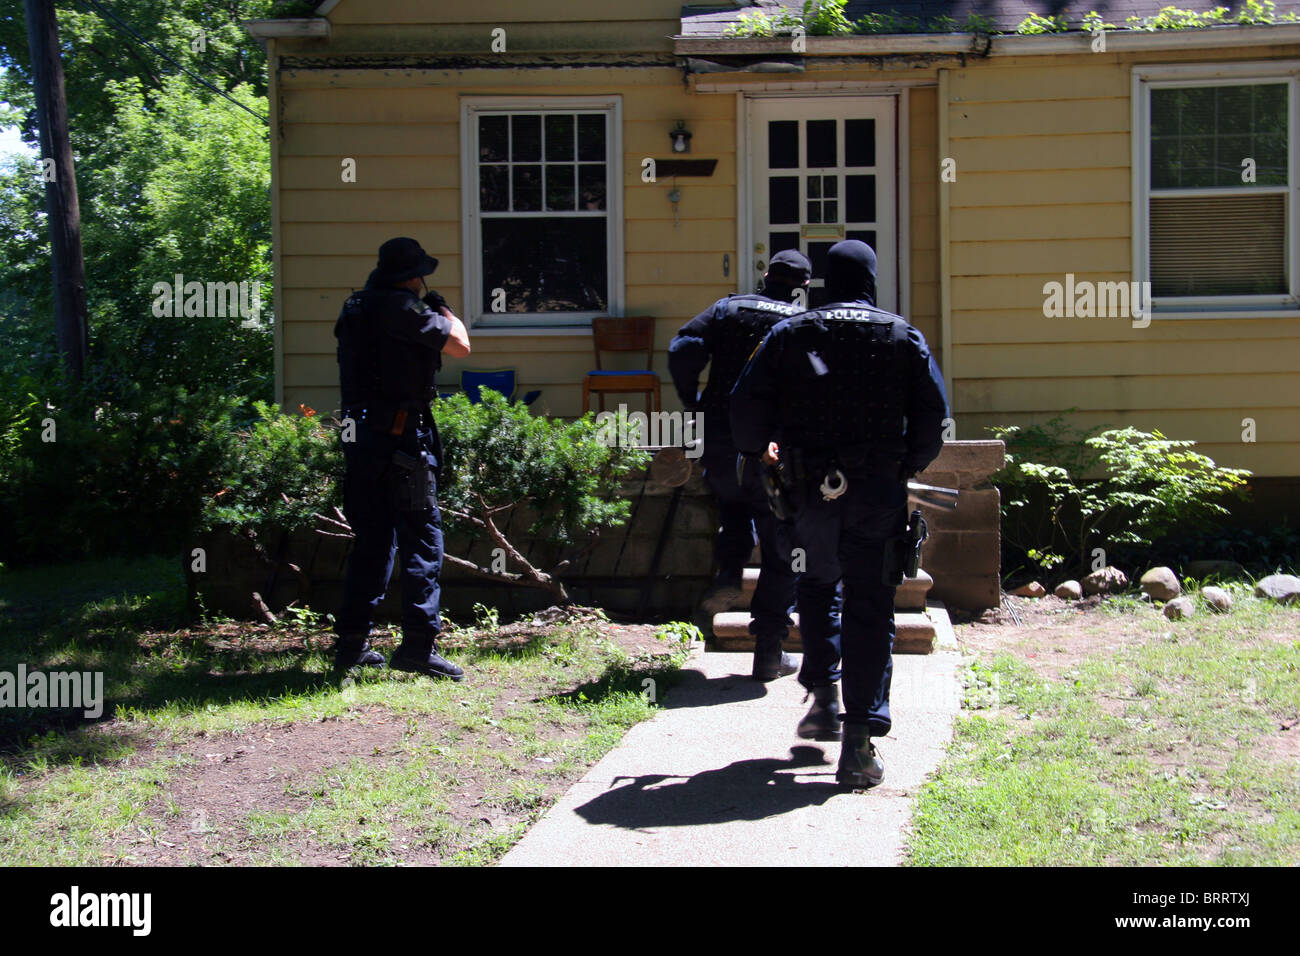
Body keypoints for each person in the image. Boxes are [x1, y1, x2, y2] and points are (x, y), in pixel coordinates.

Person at [730, 240, 948, 786]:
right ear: (871, 280)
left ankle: (824, 694)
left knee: (817, 584)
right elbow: (933, 418)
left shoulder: (791, 333)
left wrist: (760, 452)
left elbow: (745, 404)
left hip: (807, 491)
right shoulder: (902, 336)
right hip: (876, 491)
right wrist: (903, 466)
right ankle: (858, 746)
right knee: (871, 605)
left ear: (824, 281)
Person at [668, 249, 812, 681]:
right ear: (802, 288)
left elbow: (683, 347)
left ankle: (730, 571)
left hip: (720, 433)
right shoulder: (799, 324)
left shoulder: (727, 308)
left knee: (731, 505)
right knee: (780, 546)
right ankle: (768, 652)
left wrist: (691, 397)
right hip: (773, 444)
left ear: (766, 276)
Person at [332, 237, 471, 679]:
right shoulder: (405, 308)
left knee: (371, 541)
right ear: (413, 276)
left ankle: (351, 647)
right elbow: (462, 344)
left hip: (359, 435)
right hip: (402, 437)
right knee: (422, 540)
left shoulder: (354, 307)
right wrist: (443, 310)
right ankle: (416, 646)